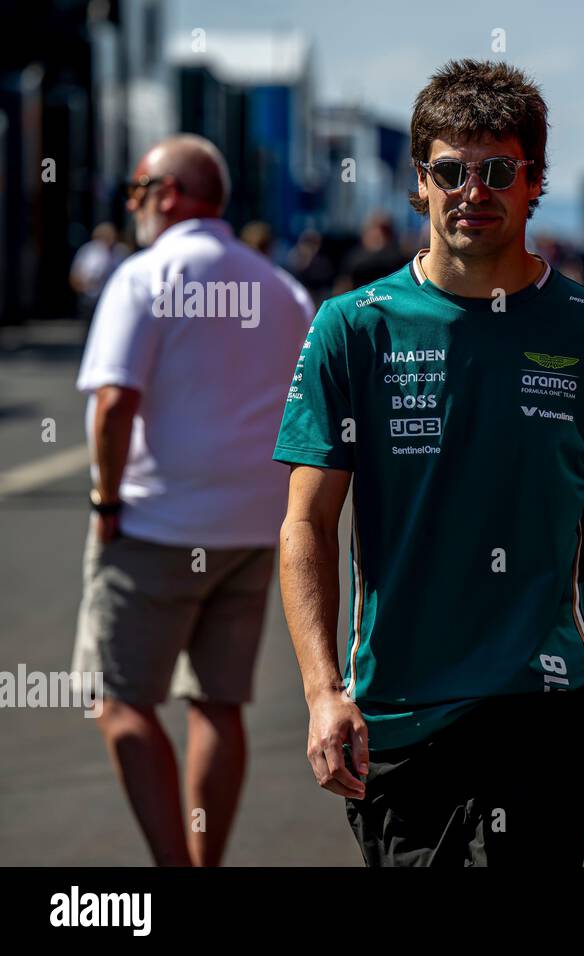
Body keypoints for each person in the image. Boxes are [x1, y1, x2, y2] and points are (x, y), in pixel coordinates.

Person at [275, 59, 584, 867]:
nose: (473, 192)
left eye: (499, 171)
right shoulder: (354, 328)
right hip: (398, 710)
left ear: (534, 183)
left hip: (545, 705)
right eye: (451, 172)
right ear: (420, 182)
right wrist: (323, 694)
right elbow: (307, 524)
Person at [73, 133, 315, 866]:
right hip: (250, 531)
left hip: (156, 523)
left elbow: (114, 403)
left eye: (139, 191)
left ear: (168, 195)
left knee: (119, 704)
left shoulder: (144, 277)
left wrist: (105, 502)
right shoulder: (282, 288)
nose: (135, 206)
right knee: (218, 703)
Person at [335, 210, 409, 292]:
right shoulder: (354, 259)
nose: (378, 235)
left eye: (384, 232)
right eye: (374, 230)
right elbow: (343, 286)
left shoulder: (399, 261)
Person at [69, 222, 127, 324]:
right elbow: (74, 276)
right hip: (90, 301)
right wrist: (85, 287)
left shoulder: (121, 252)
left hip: (113, 301)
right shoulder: (88, 251)